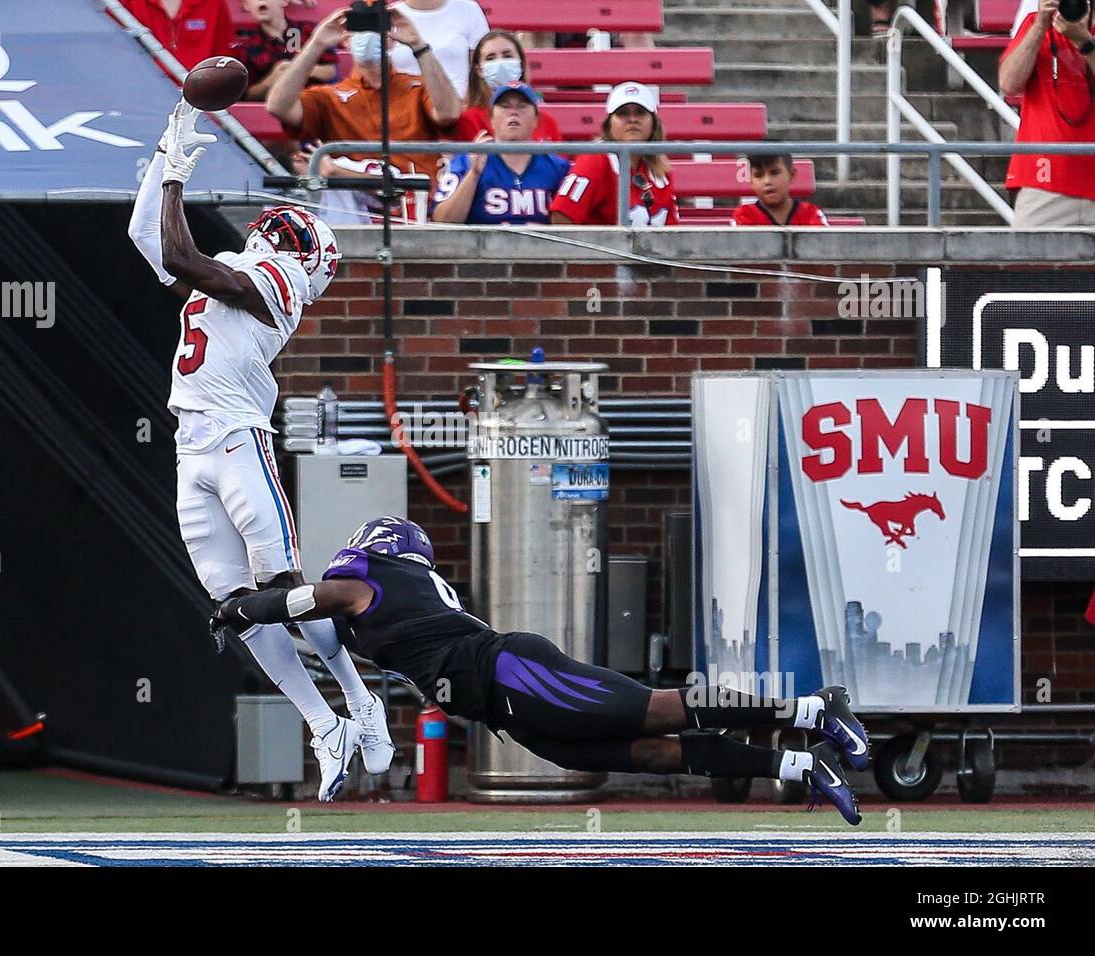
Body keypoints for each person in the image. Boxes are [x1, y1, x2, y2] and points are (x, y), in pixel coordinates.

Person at [209, 517, 868, 824]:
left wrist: (240, 608)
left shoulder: (367, 580)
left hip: (511, 673)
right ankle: (803, 766)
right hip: (503, 708)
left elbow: (304, 600)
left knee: (658, 710)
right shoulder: (400, 587)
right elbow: (315, 617)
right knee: (648, 755)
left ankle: (813, 710)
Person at [126, 101, 395, 802]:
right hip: (194, 447)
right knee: (234, 603)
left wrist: (178, 184)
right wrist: (166, 151)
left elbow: (179, 255)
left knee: (284, 589)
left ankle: (359, 701)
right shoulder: (236, 265)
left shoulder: (281, 282)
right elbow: (148, 240)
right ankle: (324, 725)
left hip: (240, 439)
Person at [266, 6, 463, 194]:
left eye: (377, 28)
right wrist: (316, 45)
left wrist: (418, 45)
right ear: (346, 40)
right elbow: (278, 106)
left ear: (391, 39)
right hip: (357, 211)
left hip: (418, 205)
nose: (368, 35)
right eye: (359, 28)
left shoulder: (419, 87)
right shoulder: (328, 97)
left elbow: (449, 113)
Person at [999, 0, 1095, 227]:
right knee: (1032, 261)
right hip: (1043, 181)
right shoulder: (1034, 24)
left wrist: (1084, 42)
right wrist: (1041, 24)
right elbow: (1009, 83)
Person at [430, 82, 570, 224]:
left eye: (522, 106)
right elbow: (443, 221)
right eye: (504, 106)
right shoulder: (466, 161)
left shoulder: (558, 167)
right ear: (491, 120)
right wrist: (473, 175)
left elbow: (572, 227)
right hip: (482, 246)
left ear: (536, 120)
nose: (513, 112)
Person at [549, 82, 679, 226]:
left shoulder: (661, 171)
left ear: (654, 123)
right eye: (622, 113)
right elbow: (562, 214)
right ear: (608, 125)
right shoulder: (594, 161)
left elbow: (673, 234)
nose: (632, 119)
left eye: (640, 112)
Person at [455, 29, 563, 143]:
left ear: (521, 64)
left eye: (507, 56)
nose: (500, 62)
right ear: (479, 70)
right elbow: (459, 160)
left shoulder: (546, 121)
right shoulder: (469, 120)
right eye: (490, 58)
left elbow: (558, 160)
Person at [386, 0, 492, 97]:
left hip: (459, 110)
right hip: (408, 110)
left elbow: (480, 70)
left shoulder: (469, 9)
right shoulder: (390, 15)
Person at [237, 0, 337, 100]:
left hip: (313, 102)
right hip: (271, 108)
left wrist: (295, 69)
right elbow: (248, 95)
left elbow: (330, 71)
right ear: (246, 6)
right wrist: (271, 79)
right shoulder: (247, 48)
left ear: (284, 1)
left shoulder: (309, 31)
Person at [122, 0, 240, 70]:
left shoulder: (214, 3)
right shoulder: (124, 3)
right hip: (142, 97)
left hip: (201, 99)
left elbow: (224, 60)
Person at [730, 152, 830, 226]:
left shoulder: (810, 213)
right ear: (751, 181)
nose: (767, 181)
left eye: (775, 173)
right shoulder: (744, 215)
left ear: (792, 175)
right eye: (758, 175)